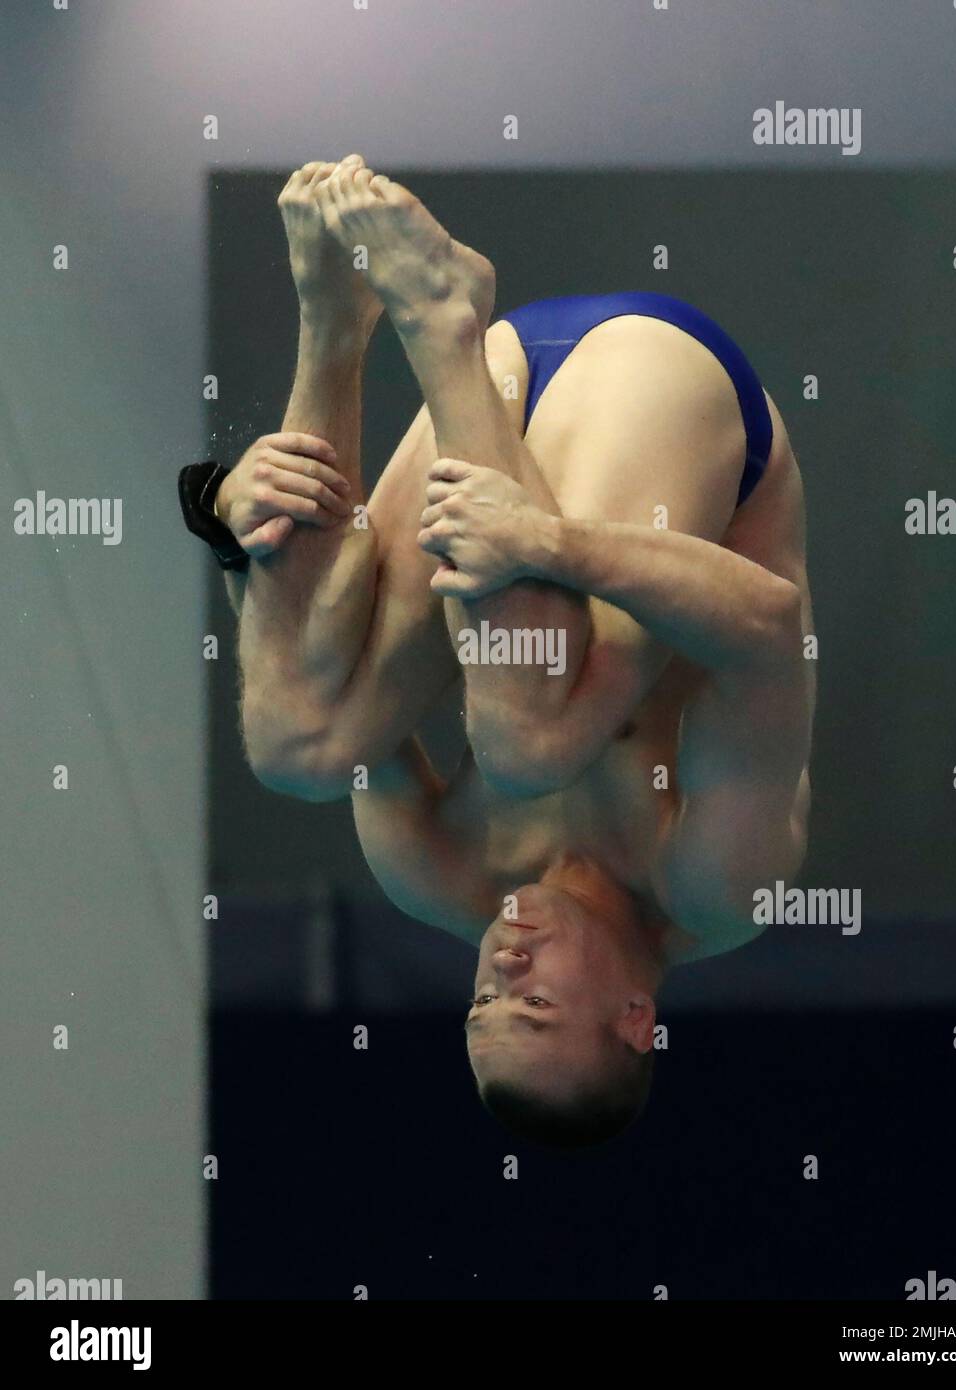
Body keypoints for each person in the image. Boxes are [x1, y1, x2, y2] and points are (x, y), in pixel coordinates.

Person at [188, 155, 816, 1147]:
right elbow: (772, 629)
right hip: (653, 380)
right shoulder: (716, 884)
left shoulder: (437, 874)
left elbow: (313, 660)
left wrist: (230, 522)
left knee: (300, 750)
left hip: (498, 383)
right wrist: (556, 544)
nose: (497, 975)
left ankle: (335, 319)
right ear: (634, 1021)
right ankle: (438, 323)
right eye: (531, 1008)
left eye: (479, 1010)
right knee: (530, 744)